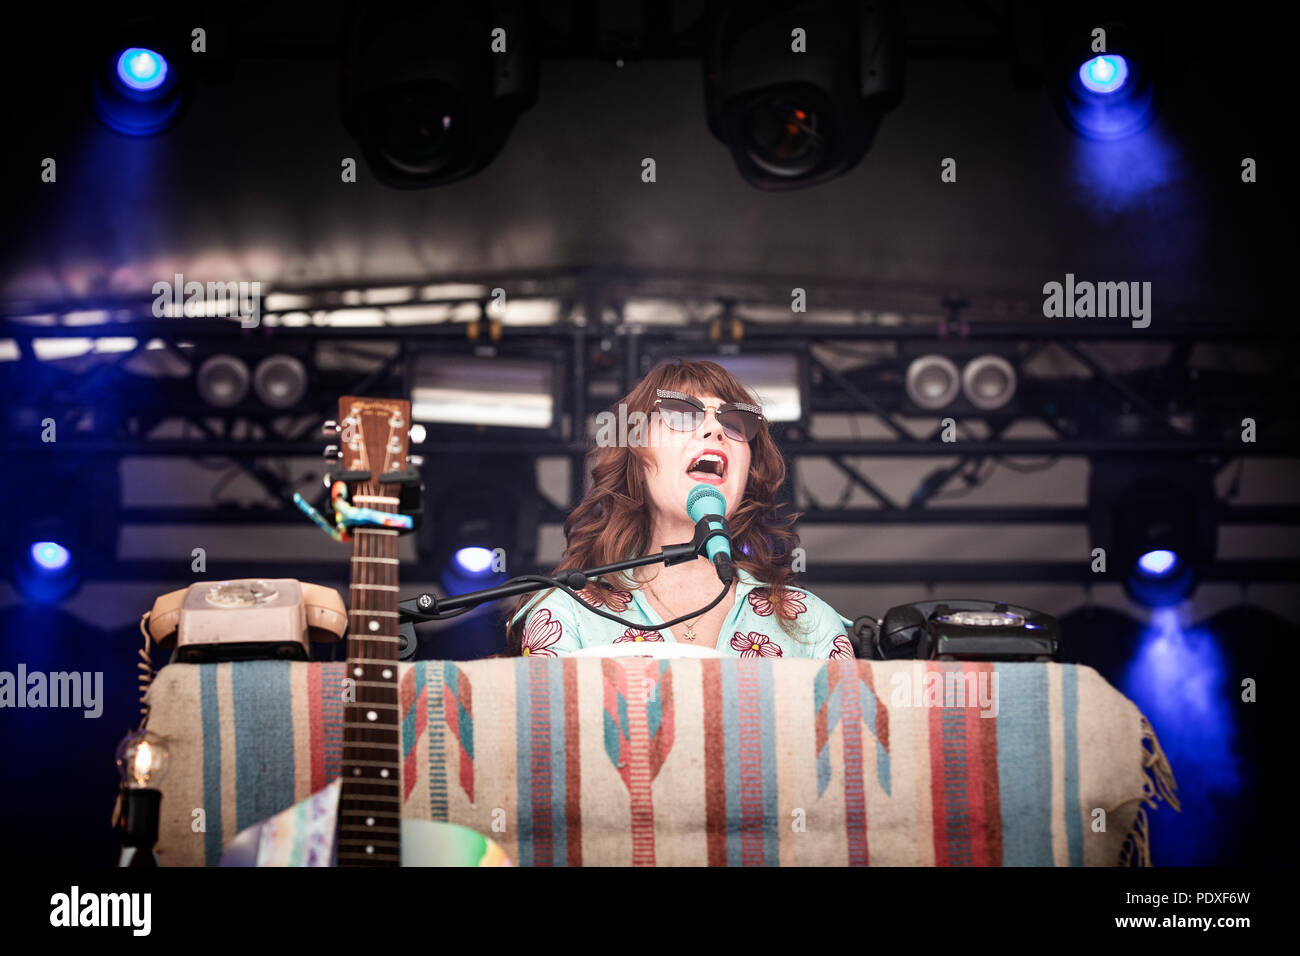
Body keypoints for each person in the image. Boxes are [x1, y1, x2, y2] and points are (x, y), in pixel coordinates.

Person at [504, 358, 855, 659]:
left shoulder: (808, 622)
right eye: (682, 413)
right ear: (636, 456)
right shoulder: (567, 615)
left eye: (735, 423)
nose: (715, 429)